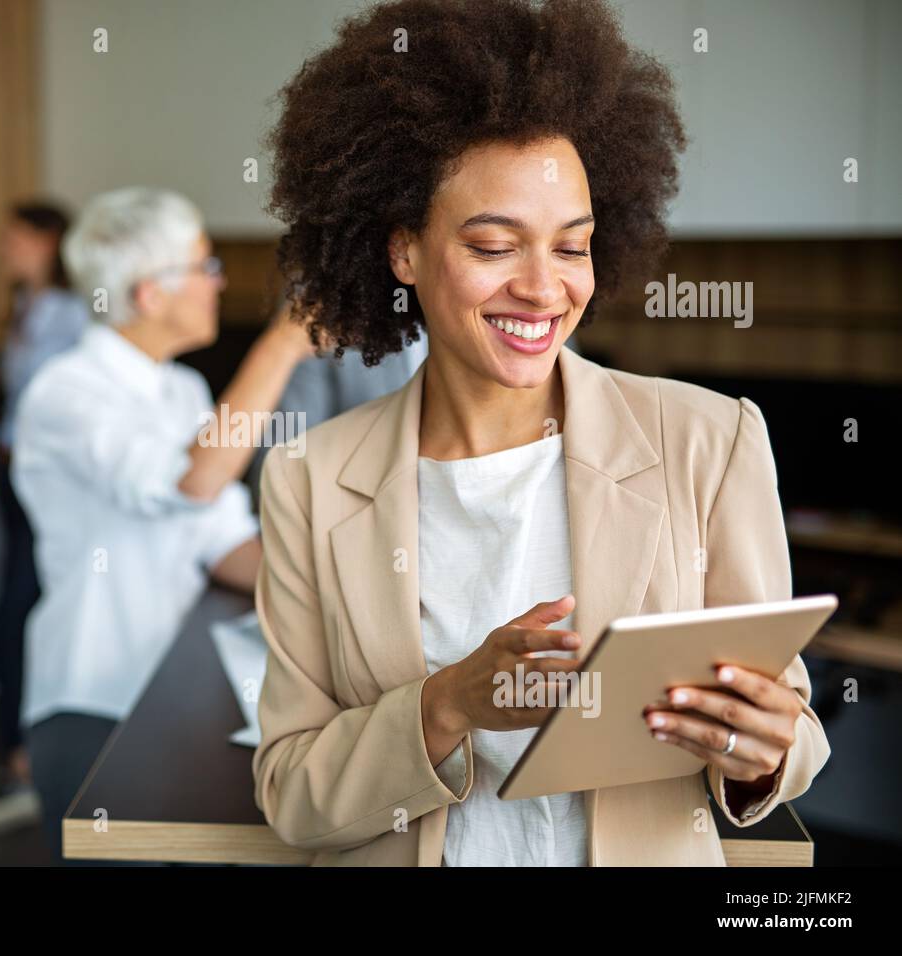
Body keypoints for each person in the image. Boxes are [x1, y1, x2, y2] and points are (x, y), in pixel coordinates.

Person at [252, 0, 830, 866]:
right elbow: (293, 797)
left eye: (573, 247)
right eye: (493, 245)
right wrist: (448, 703)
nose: (542, 288)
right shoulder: (311, 477)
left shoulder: (709, 441)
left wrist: (763, 754)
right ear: (404, 251)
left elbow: (790, 723)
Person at [9, 186, 316, 862]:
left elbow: (223, 537)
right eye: (205, 267)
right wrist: (282, 344)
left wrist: (330, 594)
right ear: (150, 294)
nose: (219, 282)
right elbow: (192, 480)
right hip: (95, 693)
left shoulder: (182, 390)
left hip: (180, 687)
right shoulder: (67, 390)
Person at [0, 201, 89, 835]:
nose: (5, 247)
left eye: (16, 237)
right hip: (10, 474)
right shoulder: (24, 308)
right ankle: (16, 748)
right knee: (10, 604)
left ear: (50, 243)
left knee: (22, 605)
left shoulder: (73, 318)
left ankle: (29, 758)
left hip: (43, 480)